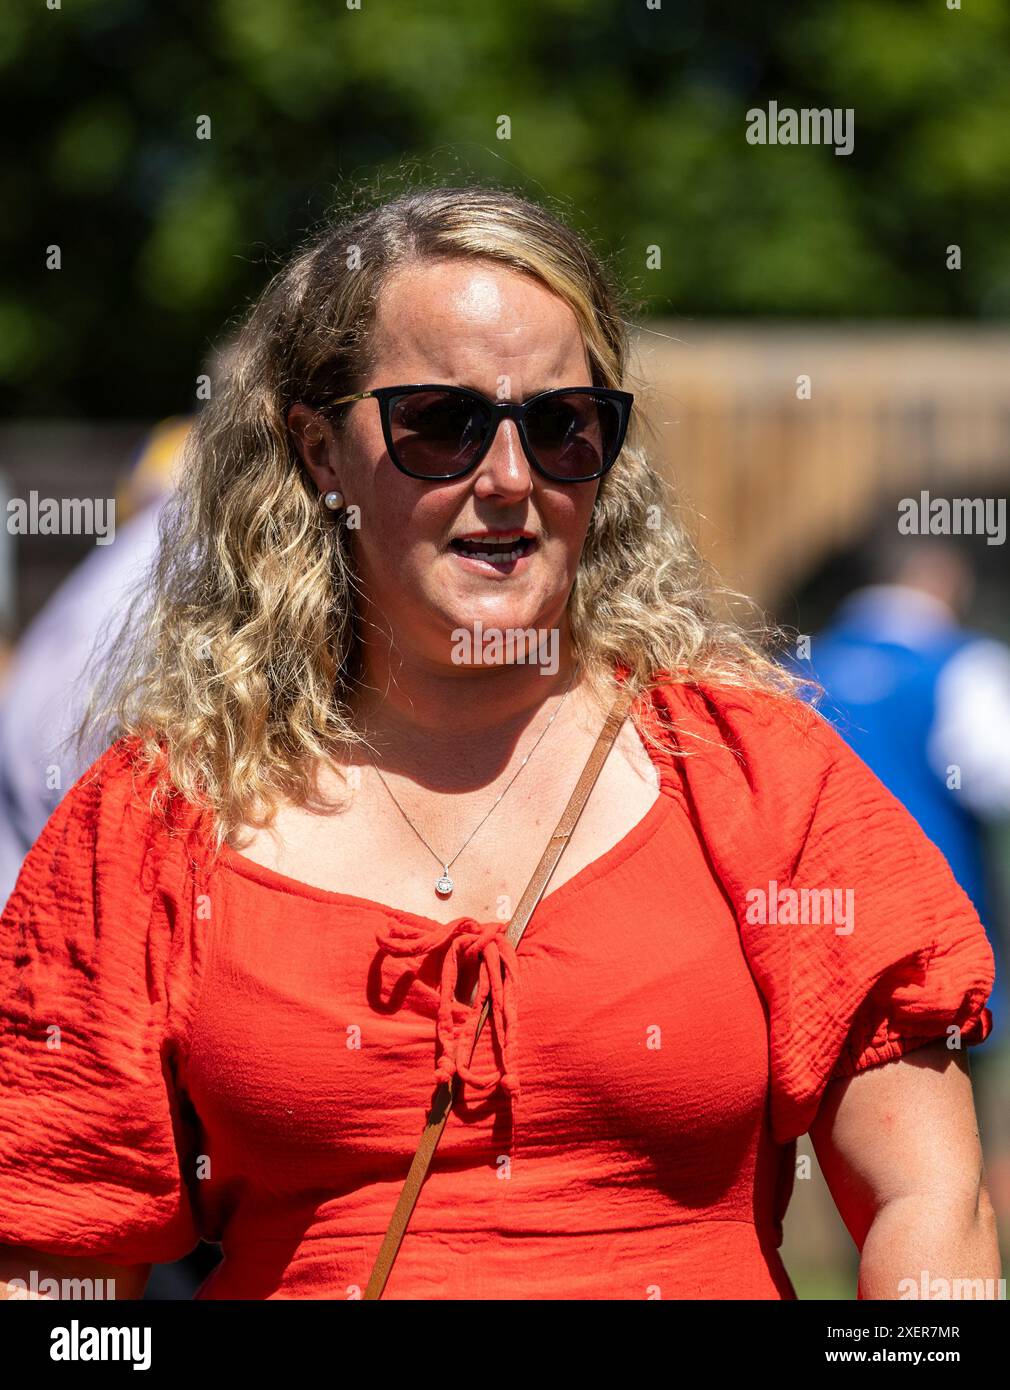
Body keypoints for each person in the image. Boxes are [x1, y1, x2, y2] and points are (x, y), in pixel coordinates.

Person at [0, 186, 999, 1301]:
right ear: (320, 451)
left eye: (563, 424)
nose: (511, 479)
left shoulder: (757, 773)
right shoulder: (153, 820)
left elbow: (931, 1200)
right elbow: (63, 1269)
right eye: (443, 423)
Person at [797, 534, 1010, 1039]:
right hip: (935, 949)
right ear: (943, 576)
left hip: (815, 955)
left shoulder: (793, 671)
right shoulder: (964, 665)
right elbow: (996, 782)